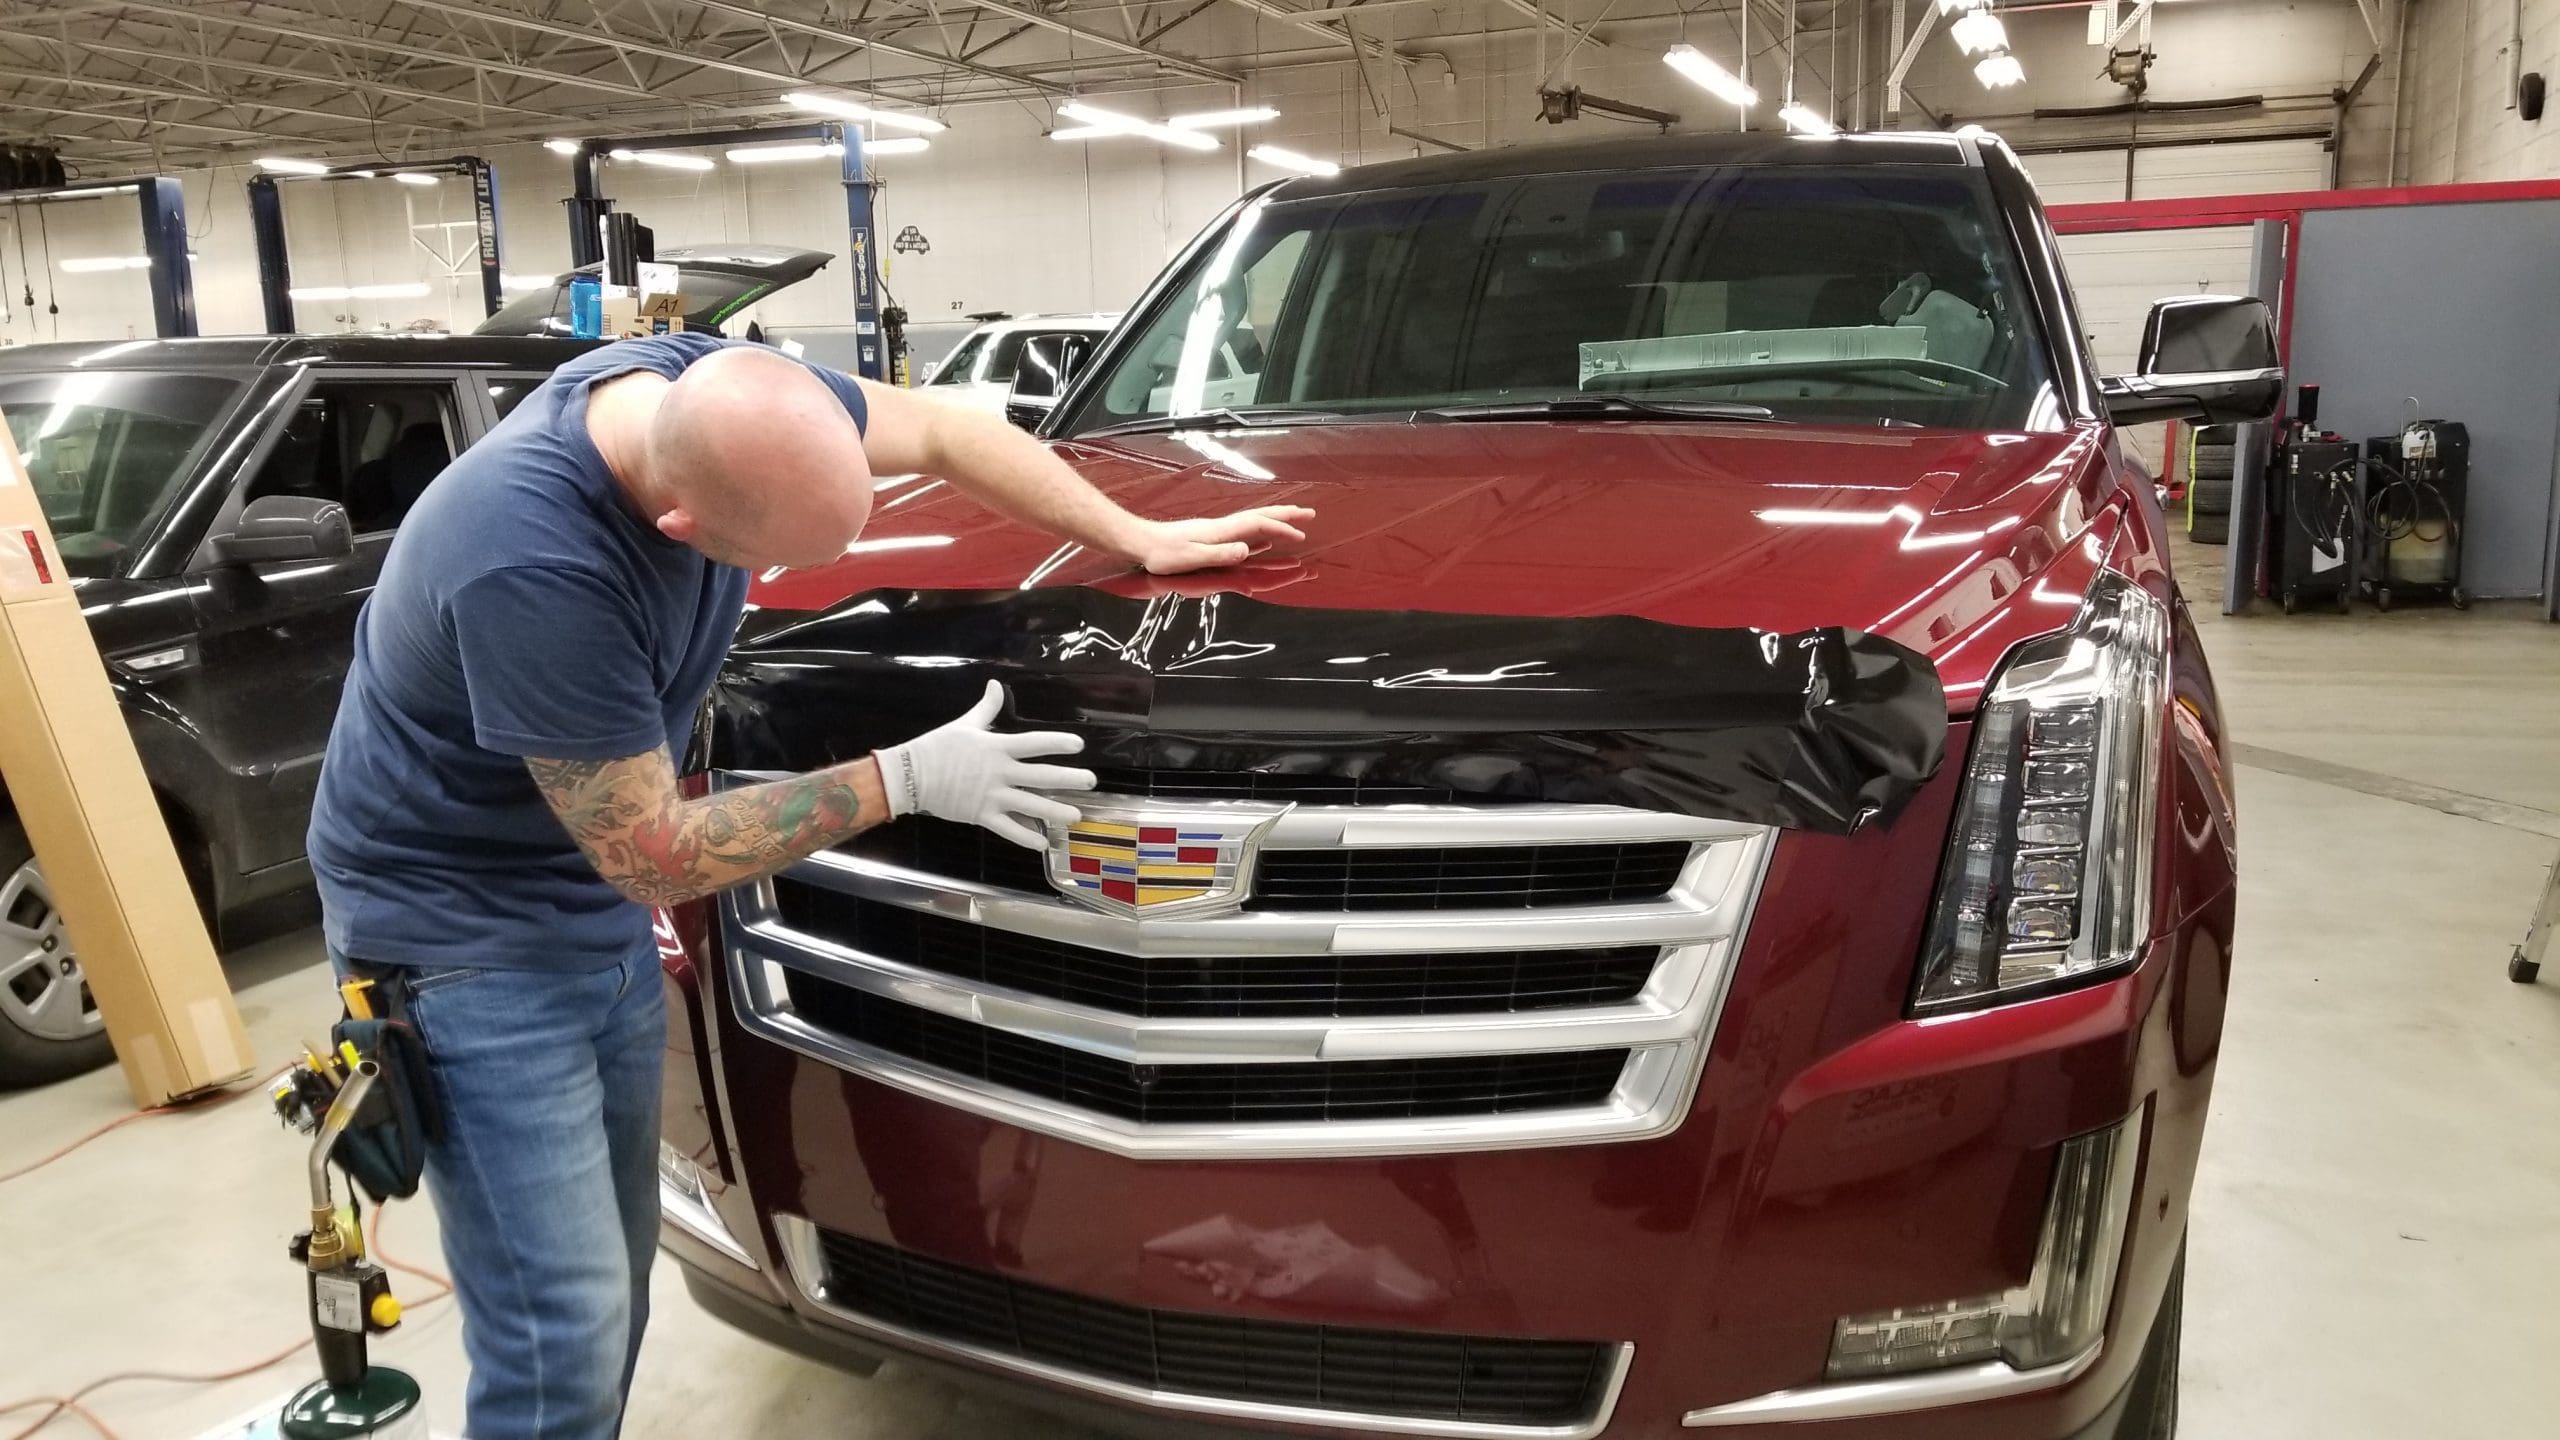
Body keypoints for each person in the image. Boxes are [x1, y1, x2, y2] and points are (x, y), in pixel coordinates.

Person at [304, 331, 1311, 1440]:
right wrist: (904, 778)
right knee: (561, 1323)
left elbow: (940, 428)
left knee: (618, 1263)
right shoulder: (534, 565)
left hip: (583, 910)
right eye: (761, 556)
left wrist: (1134, 534)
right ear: (682, 528)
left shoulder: (731, 393)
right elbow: (654, 854)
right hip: (458, 938)